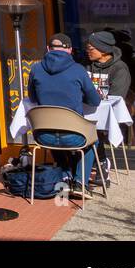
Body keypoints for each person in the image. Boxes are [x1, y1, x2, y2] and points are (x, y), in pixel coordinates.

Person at [28, 33, 102, 192]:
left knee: (53, 131)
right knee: (93, 141)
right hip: (74, 137)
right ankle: (81, 183)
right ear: (69, 50)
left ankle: (66, 175)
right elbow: (95, 101)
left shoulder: (35, 69)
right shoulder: (78, 70)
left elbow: (32, 98)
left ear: (48, 49)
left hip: (43, 136)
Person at [85, 31, 132, 100]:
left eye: (90, 48)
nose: (87, 51)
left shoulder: (119, 68)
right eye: (87, 48)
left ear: (103, 50)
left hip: (108, 109)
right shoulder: (86, 65)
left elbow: (116, 97)